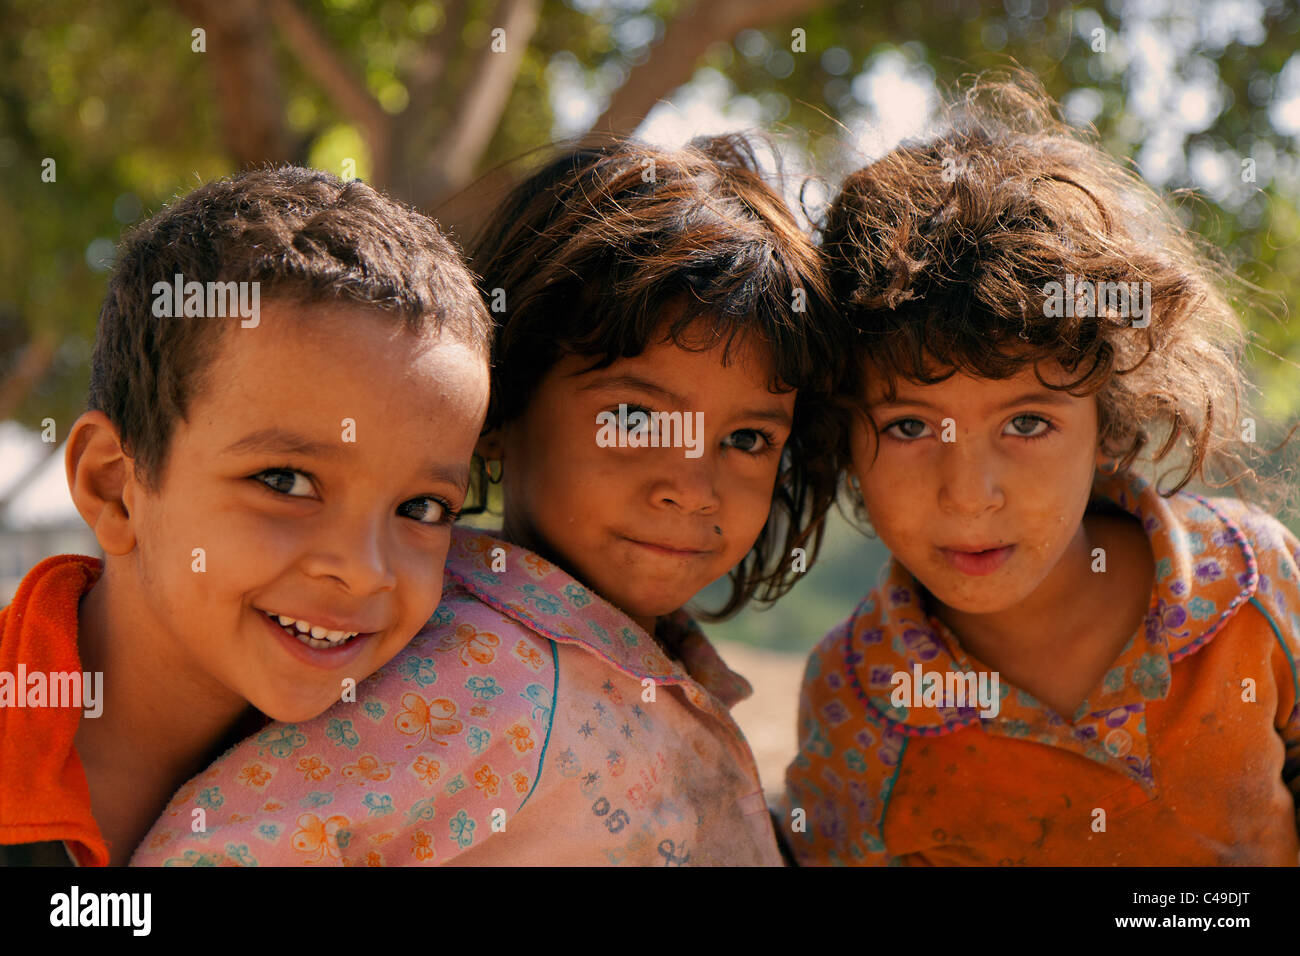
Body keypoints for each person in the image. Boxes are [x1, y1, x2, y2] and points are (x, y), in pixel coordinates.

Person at [130, 134, 846, 866]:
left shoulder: (655, 664)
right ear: (500, 414)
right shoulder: (475, 674)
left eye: (748, 439)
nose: (692, 490)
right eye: (635, 420)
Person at [779, 73, 1300, 865]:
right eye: (910, 426)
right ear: (841, 435)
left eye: (1026, 423)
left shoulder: (1251, 585)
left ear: (1108, 423)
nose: (969, 496)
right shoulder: (856, 696)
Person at [0, 166, 492, 866]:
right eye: (286, 482)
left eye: (422, 507)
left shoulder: (436, 763)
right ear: (113, 487)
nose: (363, 570)